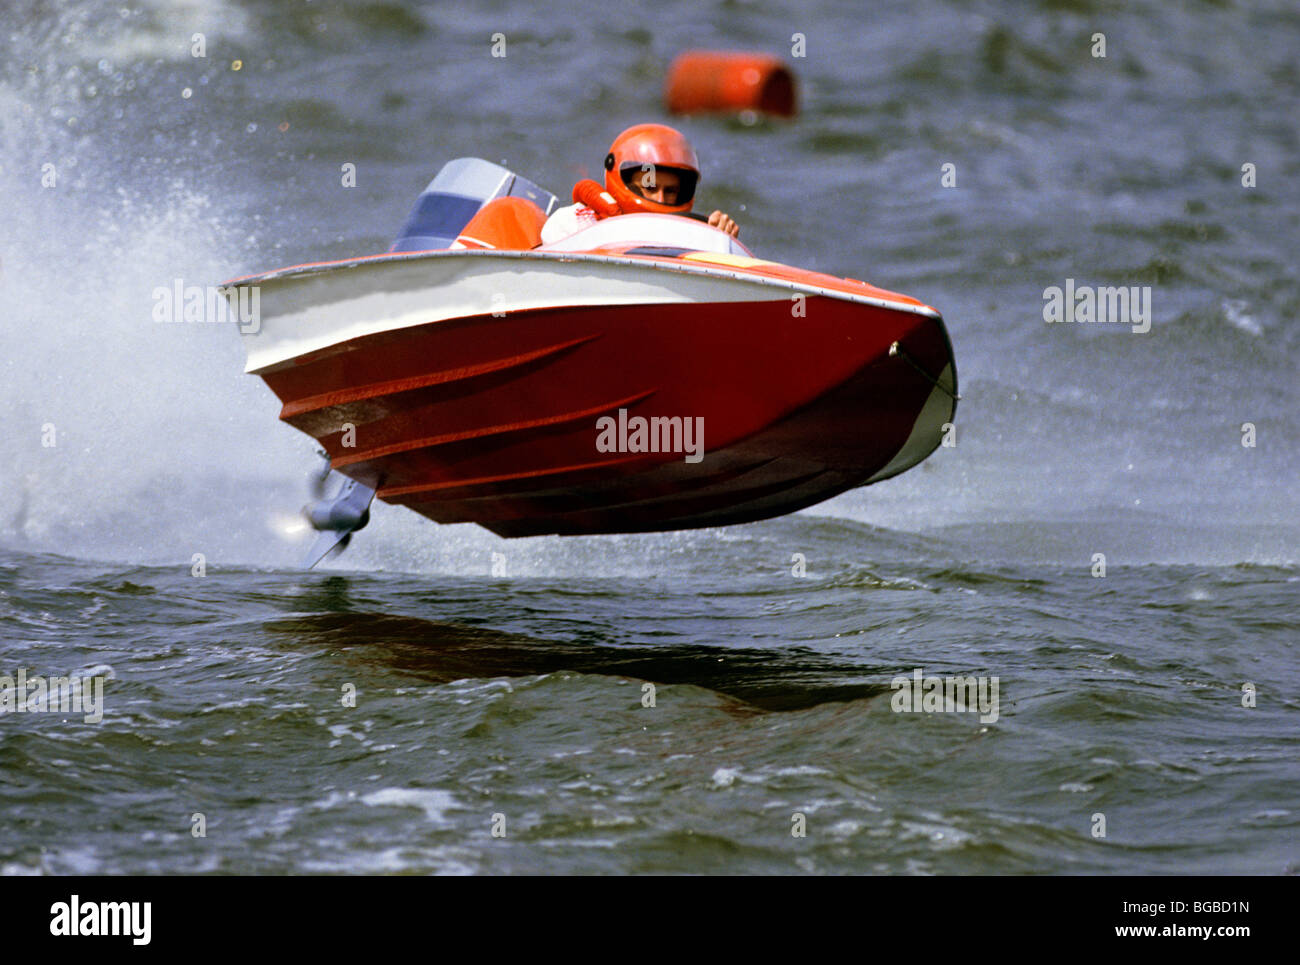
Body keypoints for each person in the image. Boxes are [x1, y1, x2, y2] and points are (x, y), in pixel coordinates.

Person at [539, 123, 740, 245]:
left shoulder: (696, 234)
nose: (660, 199)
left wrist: (722, 238)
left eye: (670, 191)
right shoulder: (575, 223)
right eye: (650, 187)